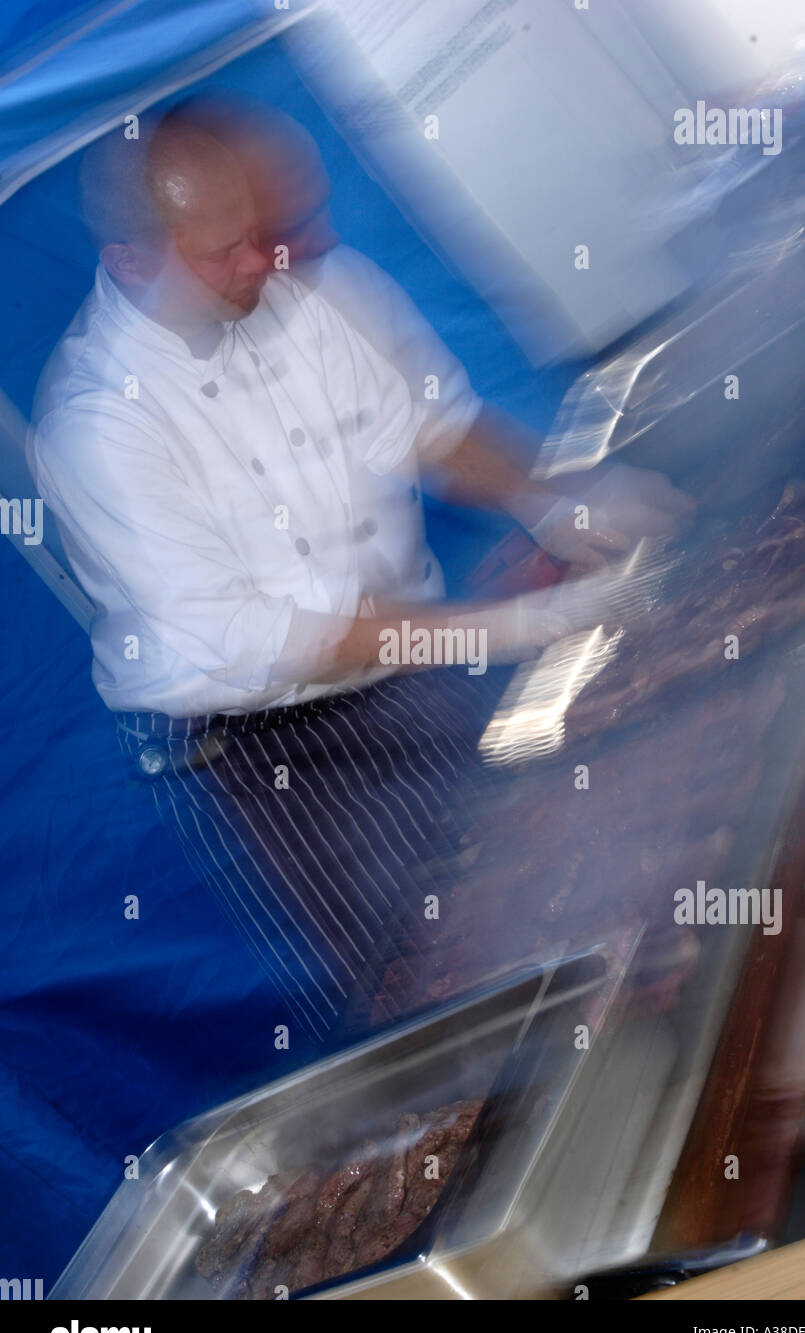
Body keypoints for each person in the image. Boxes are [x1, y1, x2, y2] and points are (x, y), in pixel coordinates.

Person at [28, 104, 692, 1042]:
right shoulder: (98, 426)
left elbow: (431, 428)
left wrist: (552, 499)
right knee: (447, 1001)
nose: (267, 262)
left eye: (266, 232)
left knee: (553, 880)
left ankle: (664, 1041)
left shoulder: (307, 283)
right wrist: (504, 629)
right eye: (226, 250)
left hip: (412, 667)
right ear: (131, 260)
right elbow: (271, 639)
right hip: (279, 755)